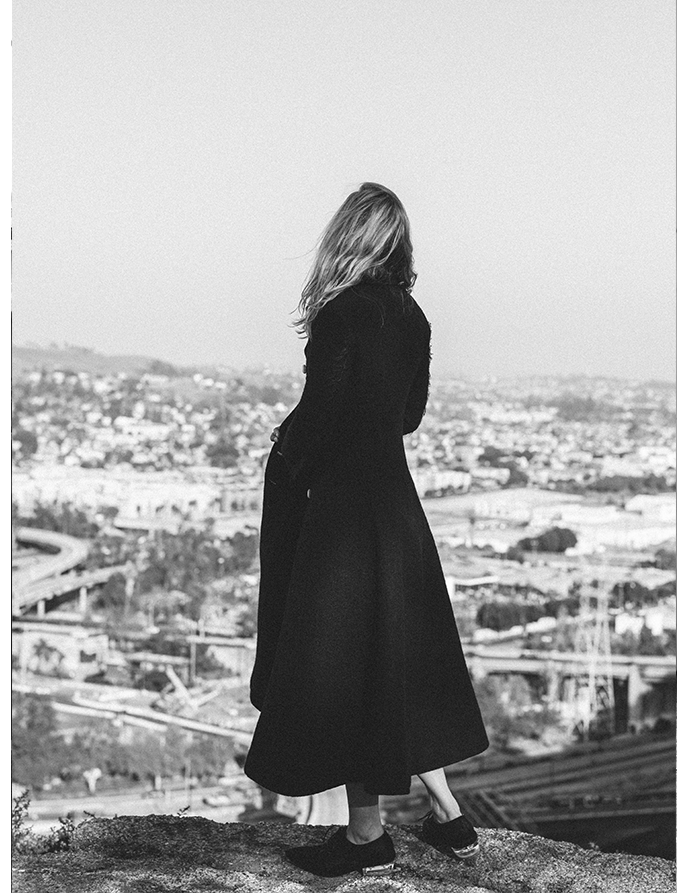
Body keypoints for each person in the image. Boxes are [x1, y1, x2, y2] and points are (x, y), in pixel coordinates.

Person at [243, 183, 490, 877]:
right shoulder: (414, 319)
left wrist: (286, 446)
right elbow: (407, 416)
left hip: (345, 514)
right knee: (395, 665)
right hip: (398, 512)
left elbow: (319, 411)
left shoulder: (339, 315)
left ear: (346, 238)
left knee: (348, 666)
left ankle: (365, 837)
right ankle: (449, 817)